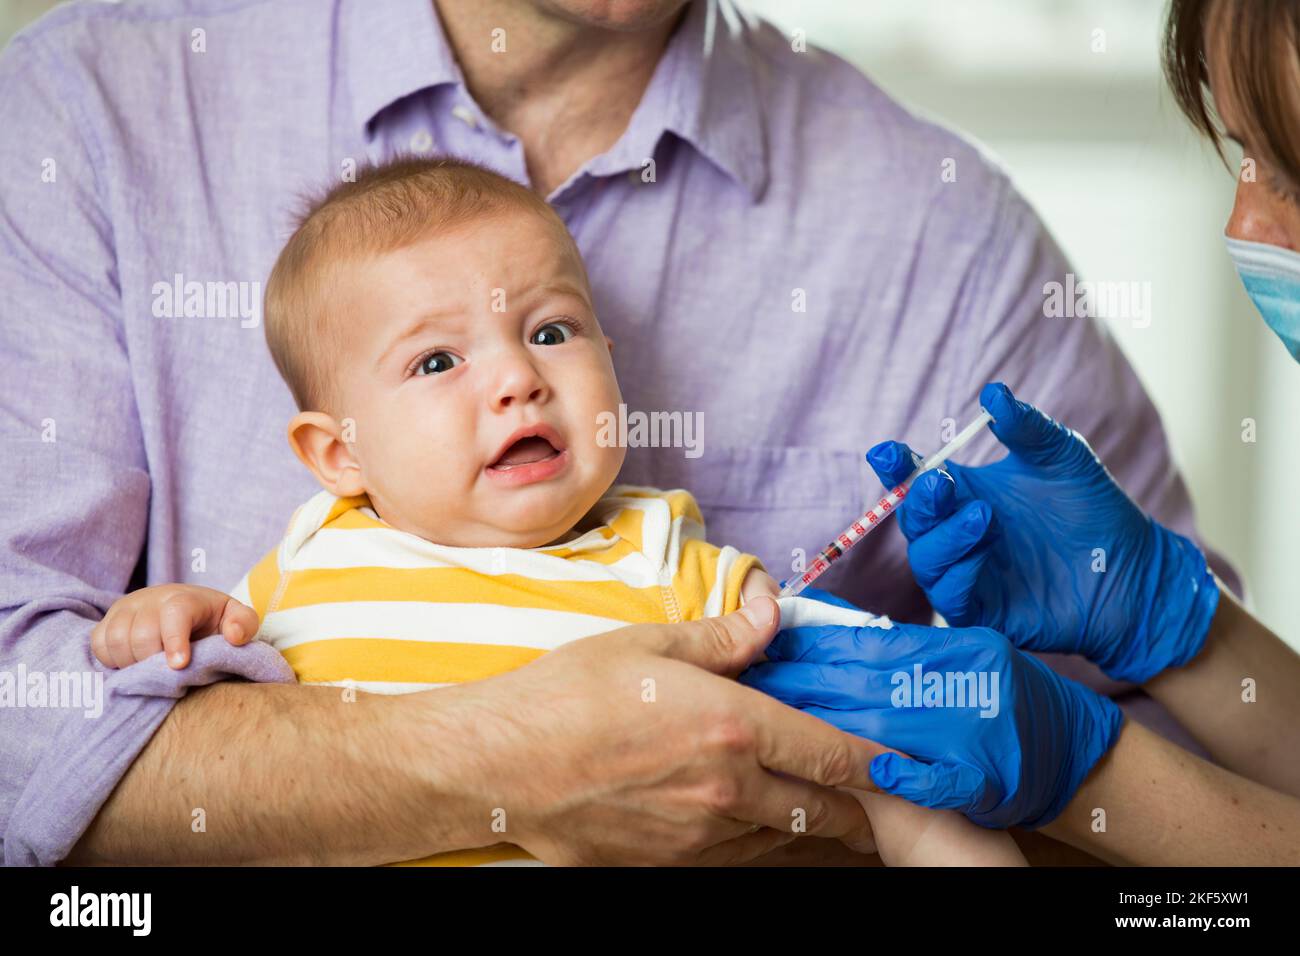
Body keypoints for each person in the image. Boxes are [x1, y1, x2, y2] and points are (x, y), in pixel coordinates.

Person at [0, 0, 1219, 866]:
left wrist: (883, 772)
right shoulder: (89, 113)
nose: (518, 390)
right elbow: (45, 699)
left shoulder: (945, 242)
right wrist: (172, 630)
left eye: (553, 337)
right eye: (433, 363)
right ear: (334, 456)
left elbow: (1196, 797)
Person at [743, 0, 1300, 865]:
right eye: (1243, 154)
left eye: (1295, 172)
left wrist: (1090, 773)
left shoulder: (939, 224)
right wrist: (1170, 617)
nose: (1248, 225)